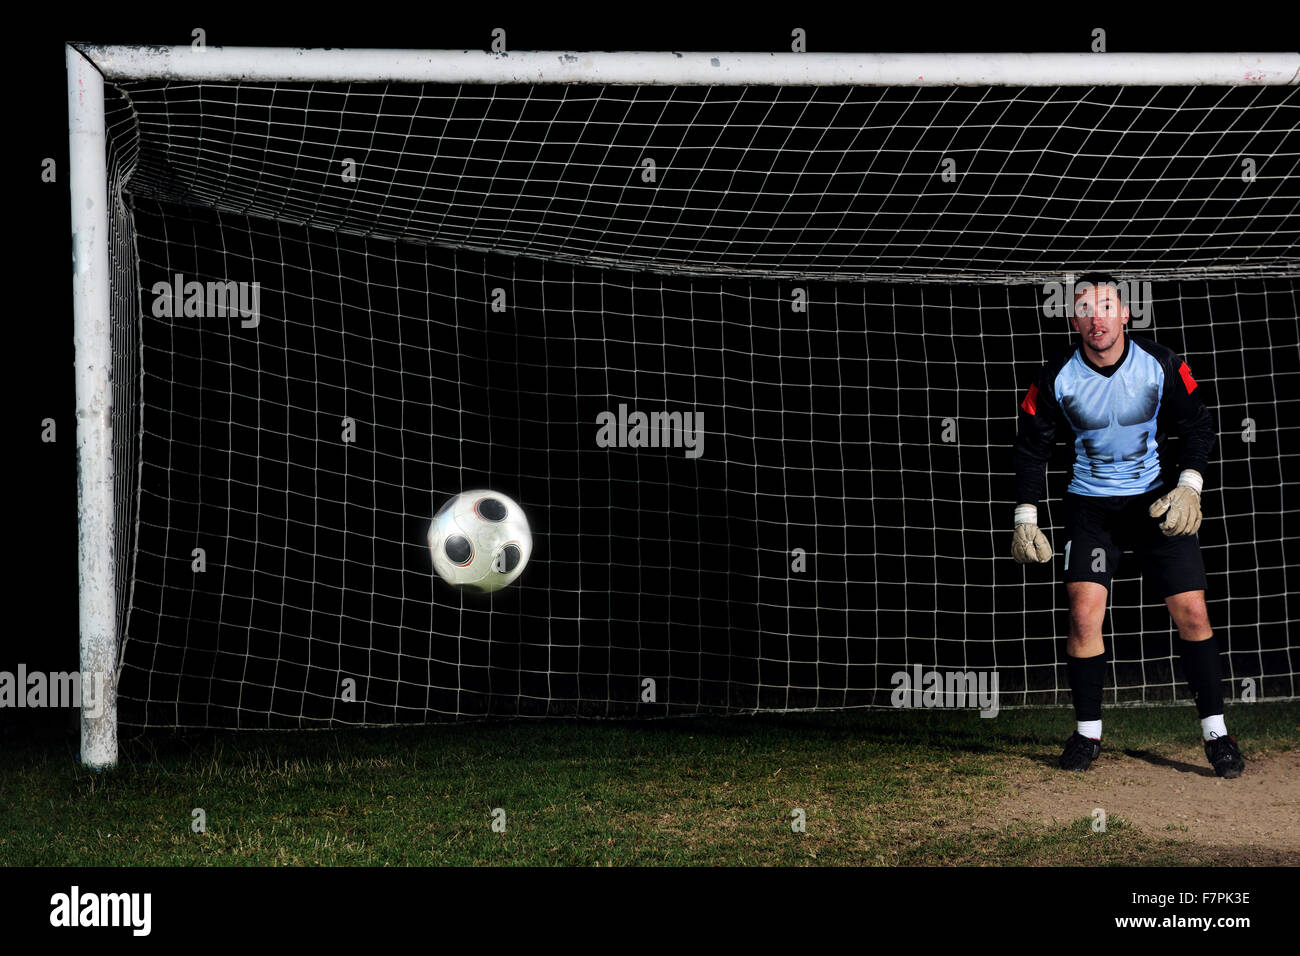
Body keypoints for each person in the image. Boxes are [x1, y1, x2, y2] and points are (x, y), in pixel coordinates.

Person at [1011, 273, 1244, 778]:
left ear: (1125, 314)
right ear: (1073, 319)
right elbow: (1031, 449)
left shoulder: (1161, 364)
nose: (1097, 318)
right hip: (1091, 511)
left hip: (1156, 507)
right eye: (1086, 309)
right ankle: (1088, 735)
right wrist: (1025, 517)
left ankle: (1217, 735)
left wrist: (1190, 486)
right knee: (1083, 616)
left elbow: (1199, 425)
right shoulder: (1055, 377)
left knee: (1193, 614)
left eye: (1107, 306)